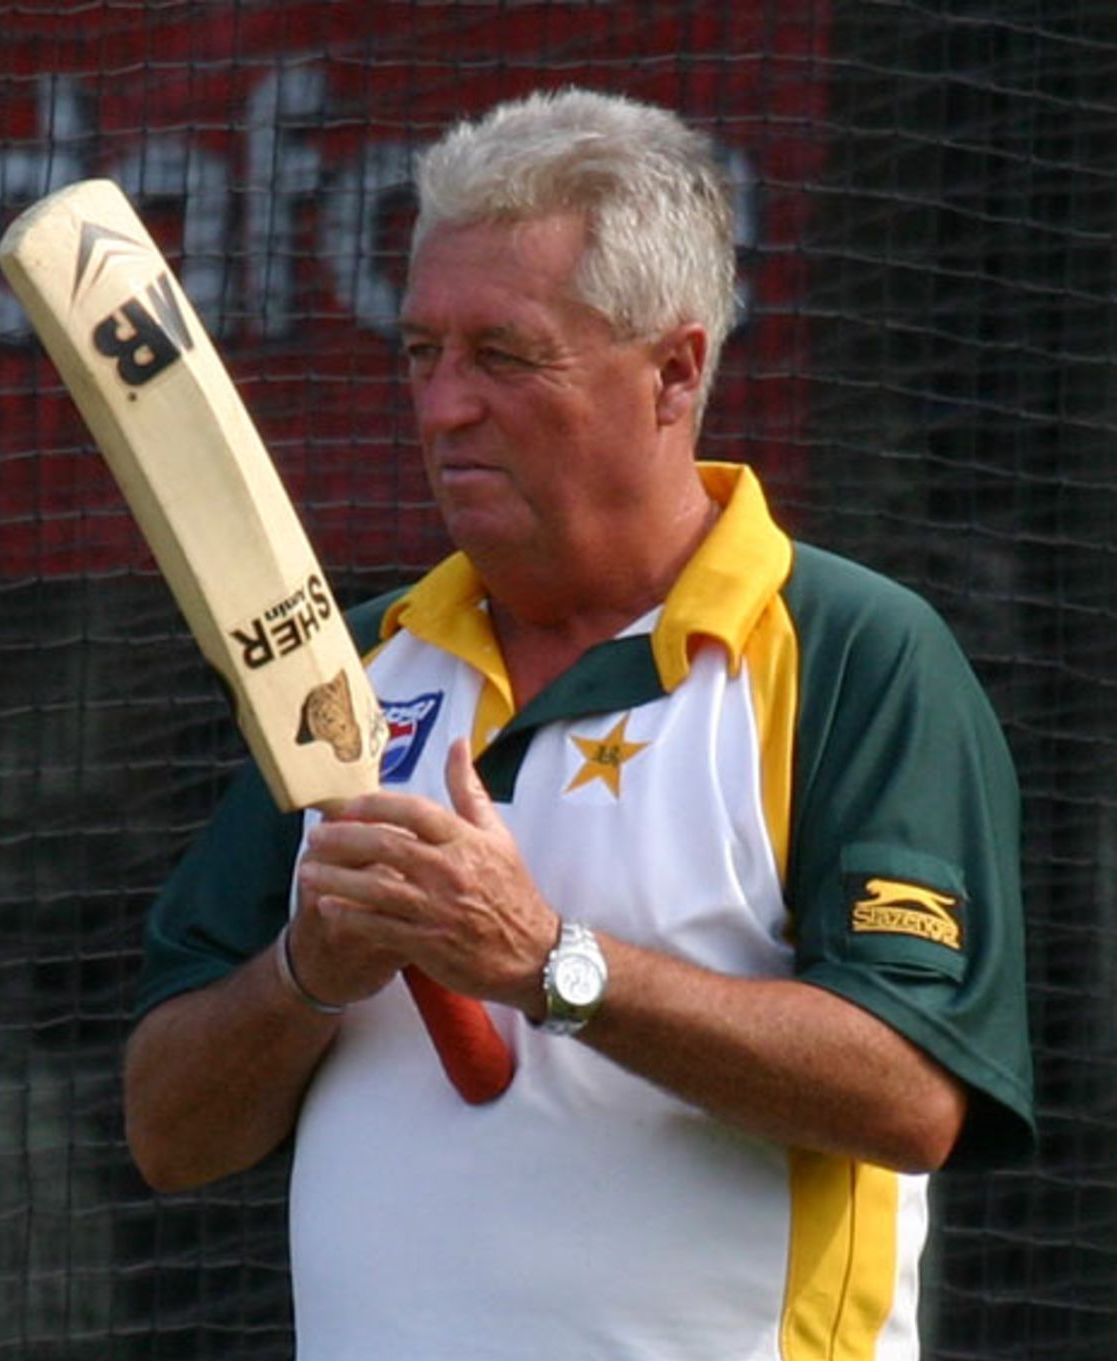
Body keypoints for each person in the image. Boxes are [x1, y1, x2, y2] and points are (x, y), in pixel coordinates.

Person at [124, 87, 1035, 1359]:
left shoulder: (852, 654)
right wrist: (303, 977)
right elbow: (168, 1132)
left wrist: (548, 960)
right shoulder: (349, 668)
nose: (443, 408)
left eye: (503, 355)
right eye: (420, 353)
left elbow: (914, 1092)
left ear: (675, 370)